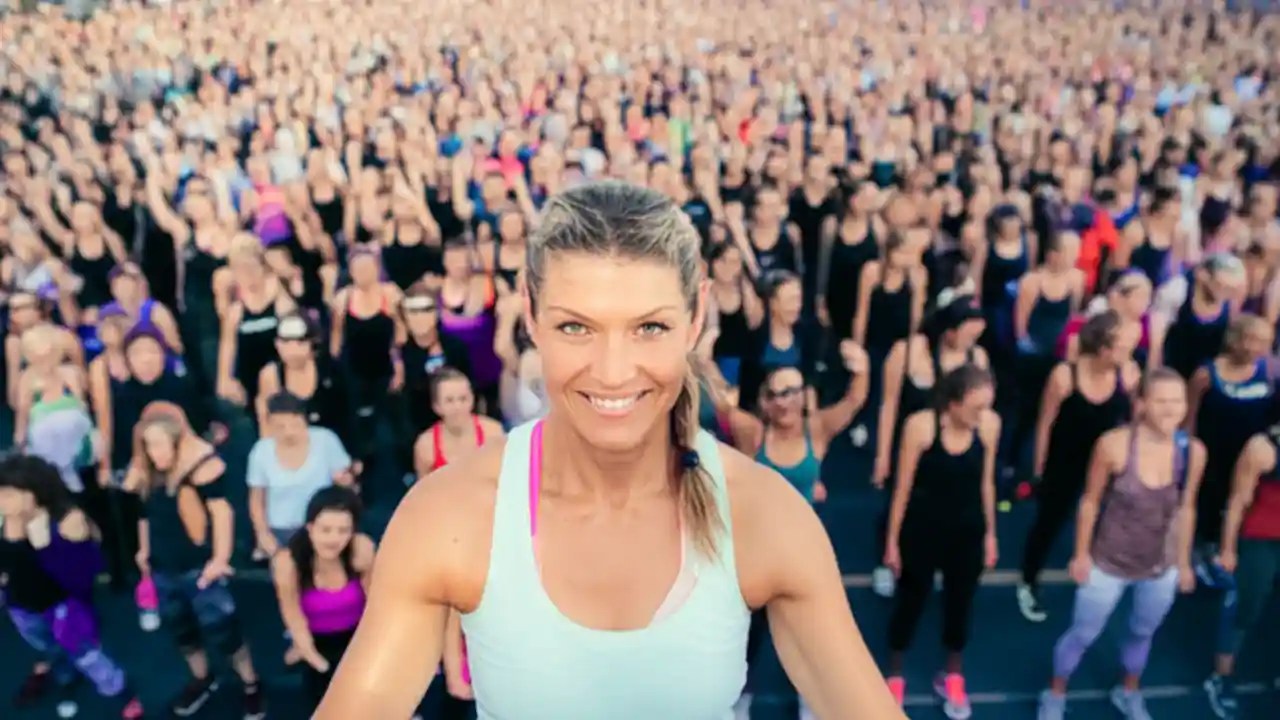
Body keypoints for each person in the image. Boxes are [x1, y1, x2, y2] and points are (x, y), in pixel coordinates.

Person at [315, 183, 901, 718]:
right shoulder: (451, 517)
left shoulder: (764, 517)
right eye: (576, 328)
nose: (615, 372)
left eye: (649, 328)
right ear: (532, 314)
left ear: (695, 317)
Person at [1037, 369, 1204, 720]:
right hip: (1108, 561)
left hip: (1161, 565)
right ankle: (1055, 693)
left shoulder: (1193, 452)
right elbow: (1090, 502)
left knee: (1143, 631)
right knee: (1083, 633)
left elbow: (1186, 508)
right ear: (1142, 404)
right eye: (1162, 401)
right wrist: (1081, 554)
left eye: (1177, 401)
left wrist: (1184, 563)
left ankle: (1127, 690)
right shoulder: (1113, 445)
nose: (1171, 409)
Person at [124, 402, 265, 719]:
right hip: (163, 568)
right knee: (182, 630)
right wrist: (143, 550)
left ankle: (251, 683)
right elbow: (144, 514)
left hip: (197, 569)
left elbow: (222, 511)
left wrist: (219, 559)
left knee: (224, 629)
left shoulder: (198, 468)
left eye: (160, 443)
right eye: (149, 444)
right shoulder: (147, 474)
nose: (155, 451)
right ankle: (203, 678)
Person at [883, 364, 1000, 717]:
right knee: (910, 601)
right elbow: (901, 487)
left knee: (960, 604)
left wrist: (991, 534)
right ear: (952, 403)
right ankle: (895, 675)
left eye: (987, 407)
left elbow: (987, 483)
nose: (983, 416)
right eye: (976, 408)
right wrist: (891, 540)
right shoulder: (921, 426)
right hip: (923, 530)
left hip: (967, 533)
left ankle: (951, 674)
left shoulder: (990, 427)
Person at [0, 454, 145, 720]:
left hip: (63, 608)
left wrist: (46, 547)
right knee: (51, 649)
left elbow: (80, 578)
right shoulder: (3, 521)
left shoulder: (67, 521)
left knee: (87, 655)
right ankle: (66, 679)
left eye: (9, 494)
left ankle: (122, 692)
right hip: (22, 607)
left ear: (33, 492)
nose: (2, 500)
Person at [1018, 311, 1140, 622]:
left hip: (1105, 464)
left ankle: (1094, 573)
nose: (1129, 353)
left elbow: (1132, 421)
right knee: (1049, 523)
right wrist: (1039, 469)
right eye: (1123, 347)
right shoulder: (1064, 376)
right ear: (1103, 349)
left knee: (1103, 520)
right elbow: (1045, 423)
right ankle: (1028, 580)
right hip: (1064, 462)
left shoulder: (1128, 375)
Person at [1204, 411, 1280, 720]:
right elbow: (1237, 501)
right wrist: (1228, 549)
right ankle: (1220, 678)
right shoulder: (1262, 448)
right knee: (1245, 609)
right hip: (1260, 538)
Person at [272, 486, 374, 712]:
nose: (333, 539)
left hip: (357, 632)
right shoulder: (288, 562)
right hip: (316, 638)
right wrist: (317, 660)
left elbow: (375, 603)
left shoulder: (362, 550)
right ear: (310, 528)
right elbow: (292, 613)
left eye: (343, 530)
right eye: (325, 529)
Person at [248, 392, 357, 554]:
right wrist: (263, 535)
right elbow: (257, 500)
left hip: (325, 528)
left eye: (295, 425)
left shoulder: (326, 440)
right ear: (270, 424)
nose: (288, 432)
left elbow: (348, 486)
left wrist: (346, 480)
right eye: (280, 427)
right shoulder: (261, 451)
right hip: (281, 532)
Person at [414, 368, 506, 478]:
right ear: (436, 406)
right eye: (449, 400)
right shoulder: (426, 446)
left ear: (472, 400)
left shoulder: (493, 433)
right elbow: (424, 492)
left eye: (463, 399)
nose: (457, 407)